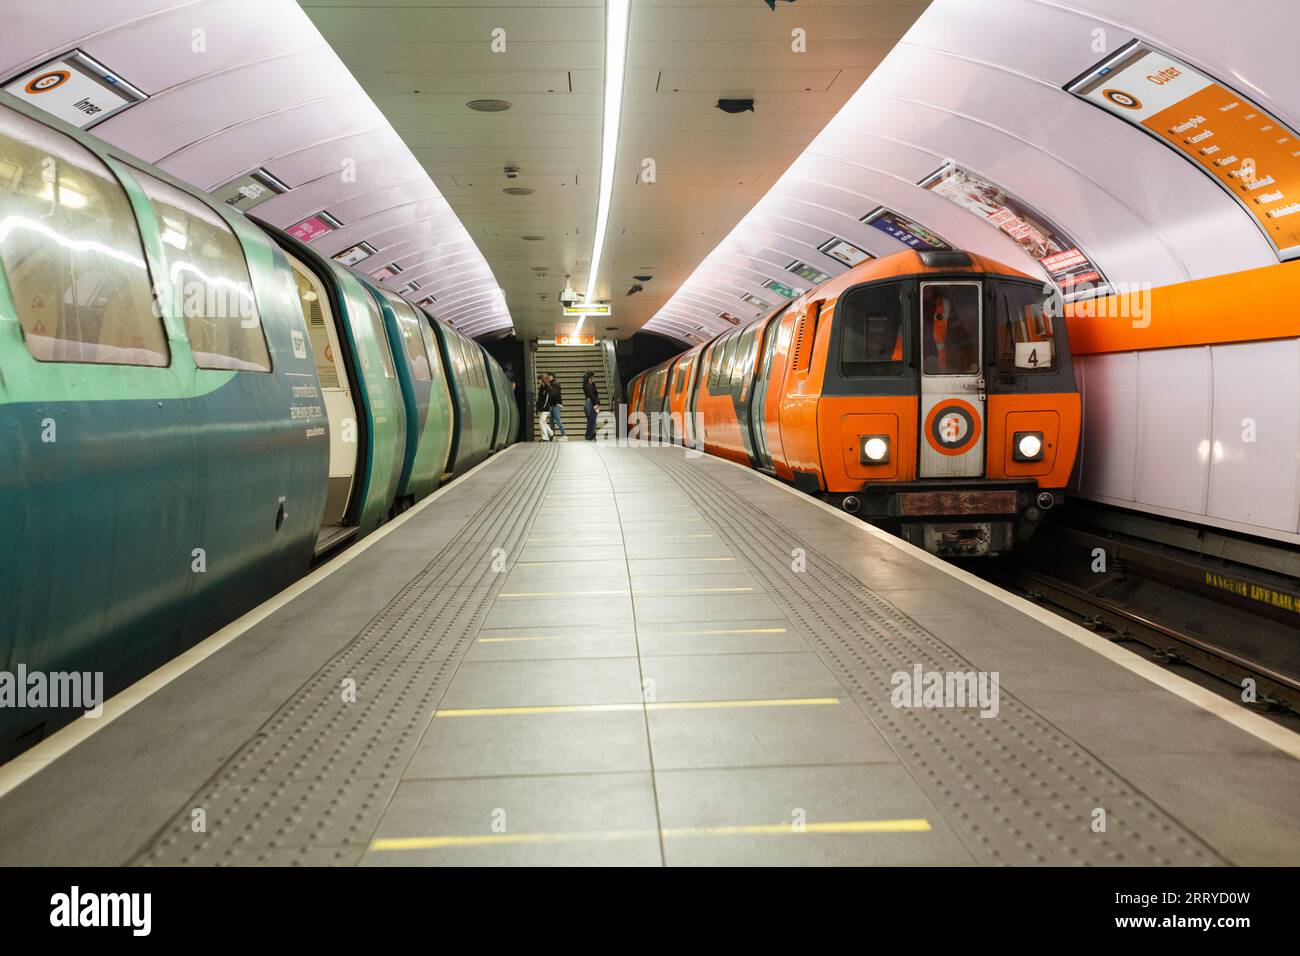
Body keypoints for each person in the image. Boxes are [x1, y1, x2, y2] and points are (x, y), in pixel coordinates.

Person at [547, 372, 567, 440]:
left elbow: (556, 395)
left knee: (557, 420)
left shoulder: (555, 384)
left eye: (549, 377)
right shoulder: (552, 384)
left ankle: (564, 435)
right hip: (553, 405)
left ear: (552, 376)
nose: (548, 378)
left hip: (556, 405)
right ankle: (552, 436)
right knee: (551, 421)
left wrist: (558, 403)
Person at [582, 371, 600, 441]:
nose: (593, 379)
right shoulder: (589, 386)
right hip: (591, 403)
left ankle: (592, 435)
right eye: (592, 377)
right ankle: (589, 436)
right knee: (592, 420)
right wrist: (597, 405)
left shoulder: (586, 385)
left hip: (588, 403)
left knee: (591, 420)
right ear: (590, 378)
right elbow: (593, 396)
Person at [536, 373, 553, 441]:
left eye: (539, 380)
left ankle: (545, 437)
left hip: (546, 408)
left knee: (541, 421)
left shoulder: (547, 388)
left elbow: (546, 398)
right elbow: (540, 398)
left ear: (541, 380)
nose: (538, 381)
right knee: (543, 422)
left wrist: (543, 406)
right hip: (542, 408)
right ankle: (551, 434)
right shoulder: (542, 387)